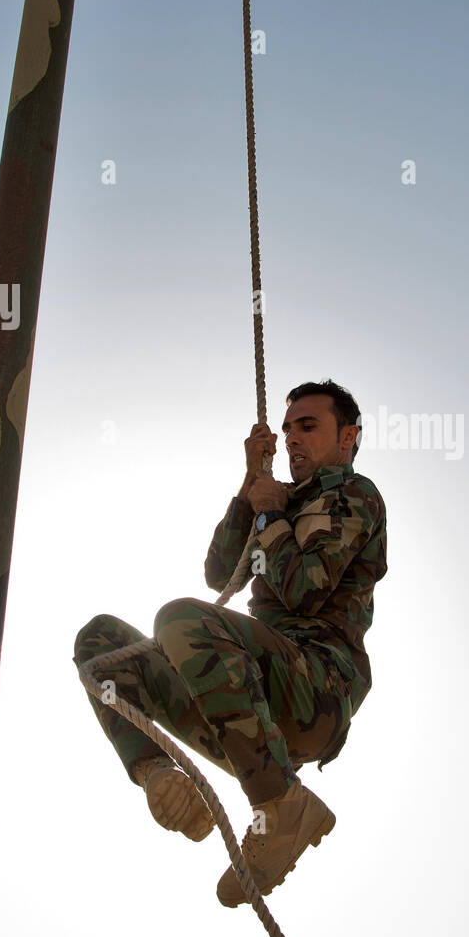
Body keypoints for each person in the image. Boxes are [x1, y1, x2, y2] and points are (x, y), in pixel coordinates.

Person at [73, 380, 387, 907]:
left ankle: (279, 805)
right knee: (100, 643)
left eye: (308, 427)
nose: (292, 440)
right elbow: (220, 571)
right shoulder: (277, 498)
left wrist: (270, 516)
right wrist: (250, 489)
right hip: (248, 705)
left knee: (179, 619)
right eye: (287, 430)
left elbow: (304, 588)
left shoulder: (354, 495)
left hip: (314, 691)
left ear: (348, 436)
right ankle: (159, 776)